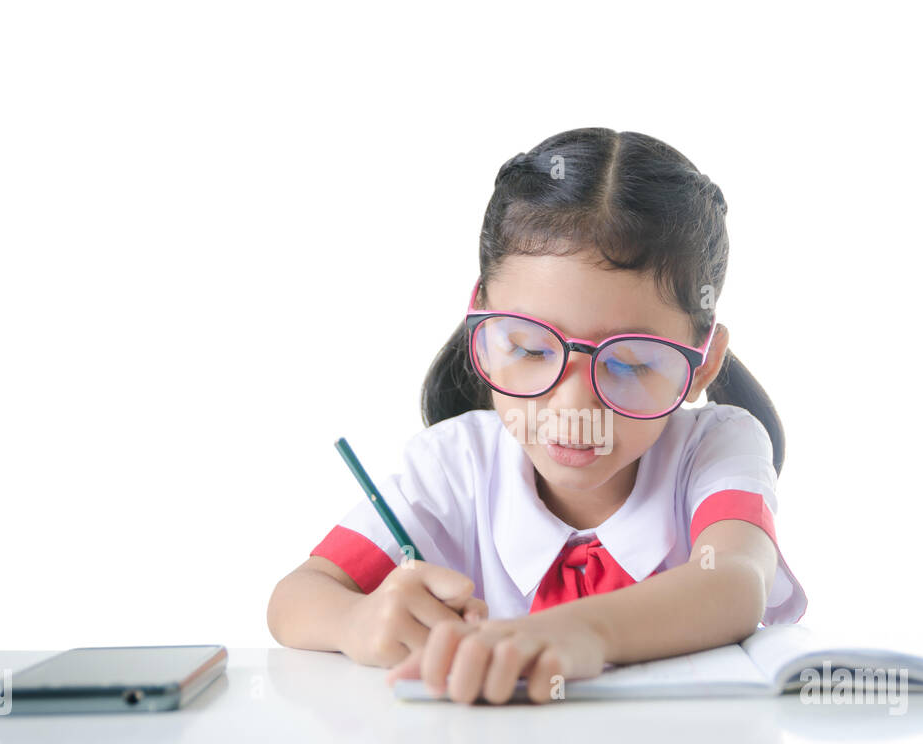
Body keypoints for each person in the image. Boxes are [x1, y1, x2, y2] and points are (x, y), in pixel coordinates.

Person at [267, 127, 807, 704]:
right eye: (528, 349)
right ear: (482, 320)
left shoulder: (714, 449)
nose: (574, 408)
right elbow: (296, 598)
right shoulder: (456, 466)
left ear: (703, 363)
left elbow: (733, 582)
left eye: (631, 364)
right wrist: (360, 623)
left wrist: (579, 633)